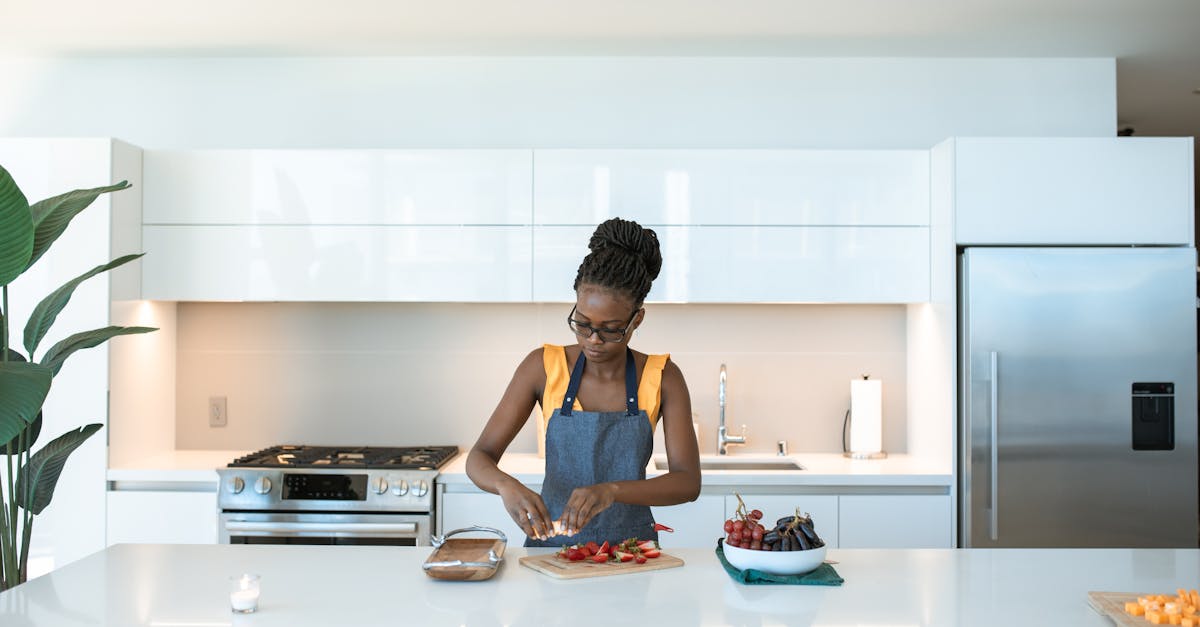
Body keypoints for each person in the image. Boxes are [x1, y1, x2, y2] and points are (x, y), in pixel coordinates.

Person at [466, 217, 702, 547]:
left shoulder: (663, 377)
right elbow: (480, 456)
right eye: (582, 323)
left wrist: (613, 490)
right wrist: (506, 485)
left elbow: (688, 483)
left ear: (638, 319)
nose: (592, 339)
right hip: (551, 552)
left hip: (631, 555)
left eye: (610, 329)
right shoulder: (543, 367)